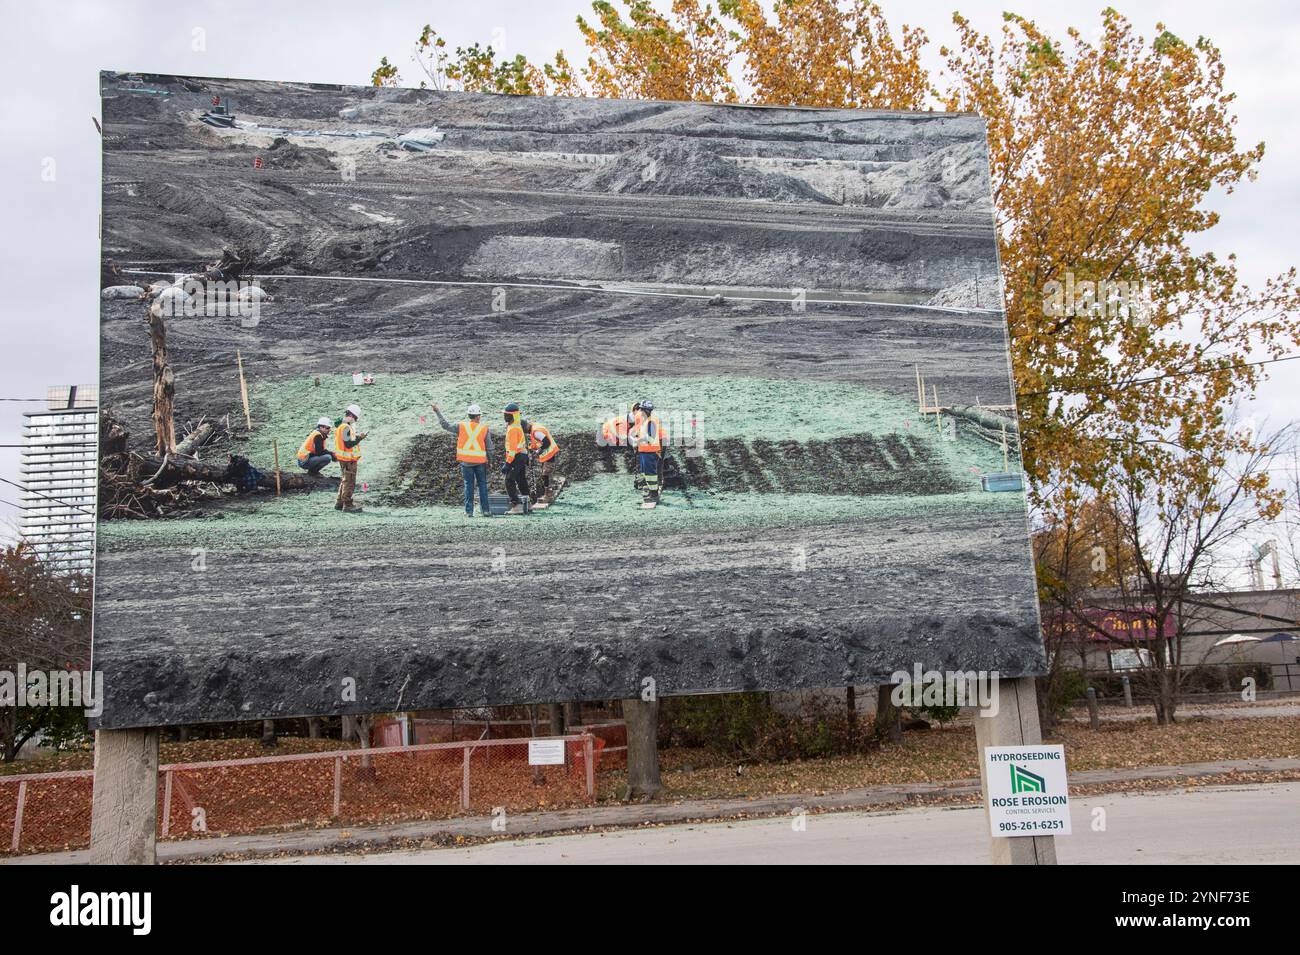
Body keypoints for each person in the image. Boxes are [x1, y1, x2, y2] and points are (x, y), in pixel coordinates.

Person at [433, 402, 494, 517]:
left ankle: (469, 512)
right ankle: (485, 511)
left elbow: (445, 425)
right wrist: (490, 461)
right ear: (478, 416)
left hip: (466, 462)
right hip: (480, 462)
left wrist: (437, 412)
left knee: (468, 485)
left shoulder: (461, 426)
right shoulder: (484, 428)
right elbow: (489, 448)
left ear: (469, 415)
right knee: (482, 485)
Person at [333, 404, 367, 513]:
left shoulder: (342, 426)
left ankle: (340, 502)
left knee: (345, 480)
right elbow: (348, 444)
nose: (355, 421)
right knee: (349, 481)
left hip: (343, 458)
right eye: (355, 418)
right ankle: (347, 504)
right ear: (352, 416)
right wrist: (359, 438)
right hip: (348, 460)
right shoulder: (346, 428)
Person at [632, 398, 666, 506]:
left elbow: (650, 439)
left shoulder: (651, 422)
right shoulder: (646, 421)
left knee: (651, 474)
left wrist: (638, 441)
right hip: (645, 451)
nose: (640, 411)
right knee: (647, 473)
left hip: (650, 452)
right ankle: (652, 492)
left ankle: (654, 494)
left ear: (646, 411)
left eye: (642, 409)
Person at [501, 402, 530, 515]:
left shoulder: (513, 428)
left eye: (506, 414)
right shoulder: (517, 426)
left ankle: (516, 505)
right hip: (522, 455)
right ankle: (528, 504)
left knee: (509, 480)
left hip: (517, 456)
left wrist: (507, 463)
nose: (504, 416)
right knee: (521, 479)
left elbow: (512, 449)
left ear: (512, 415)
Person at [524, 419, 561, 506]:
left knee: (546, 474)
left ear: (526, 427)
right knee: (546, 474)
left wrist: (537, 452)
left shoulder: (536, 431)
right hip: (547, 454)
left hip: (549, 453)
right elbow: (537, 442)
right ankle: (547, 492)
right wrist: (531, 448)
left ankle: (548, 495)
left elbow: (546, 442)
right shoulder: (534, 429)